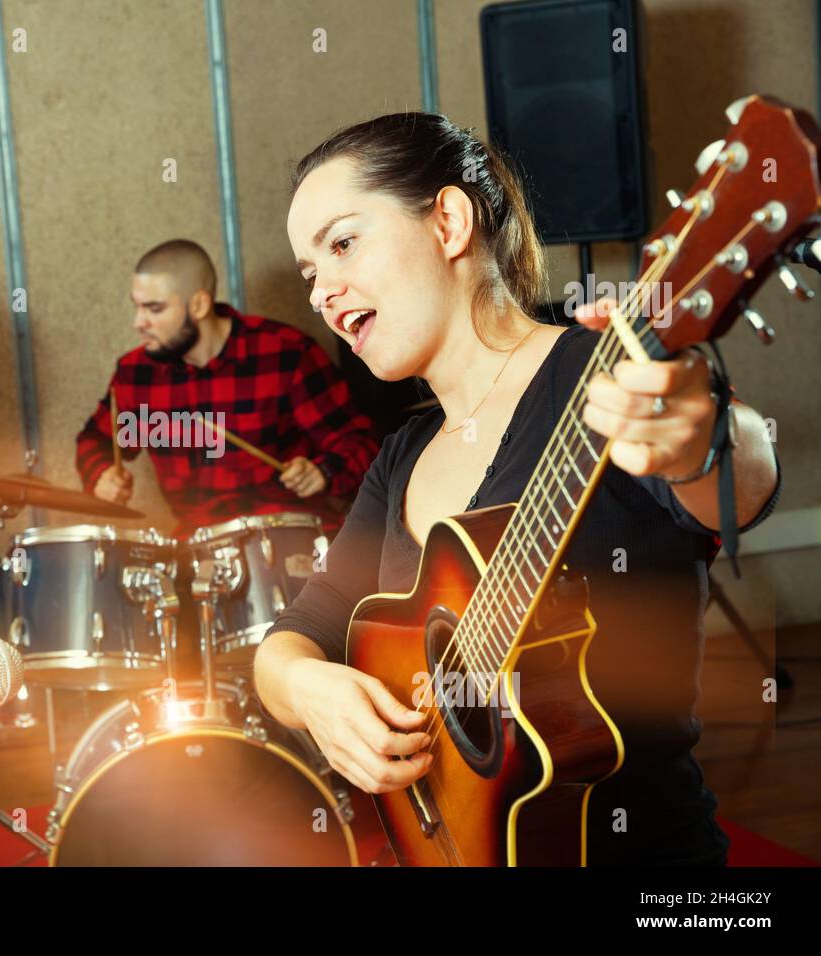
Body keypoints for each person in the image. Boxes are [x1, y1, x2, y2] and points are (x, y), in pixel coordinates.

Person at [255, 113, 781, 866]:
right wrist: (308, 690)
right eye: (310, 274)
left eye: (342, 244)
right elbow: (297, 633)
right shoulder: (401, 457)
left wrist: (708, 441)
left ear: (448, 221)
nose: (321, 294)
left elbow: (737, 473)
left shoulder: (603, 378)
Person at [76, 238, 379, 536]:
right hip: (196, 548)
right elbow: (94, 441)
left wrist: (323, 471)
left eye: (154, 309)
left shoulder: (285, 352)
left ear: (198, 305)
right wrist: (101, 474)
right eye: (137, 307)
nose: (138, 322)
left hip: (290, 538)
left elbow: (360, 444)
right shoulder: (136, 375)